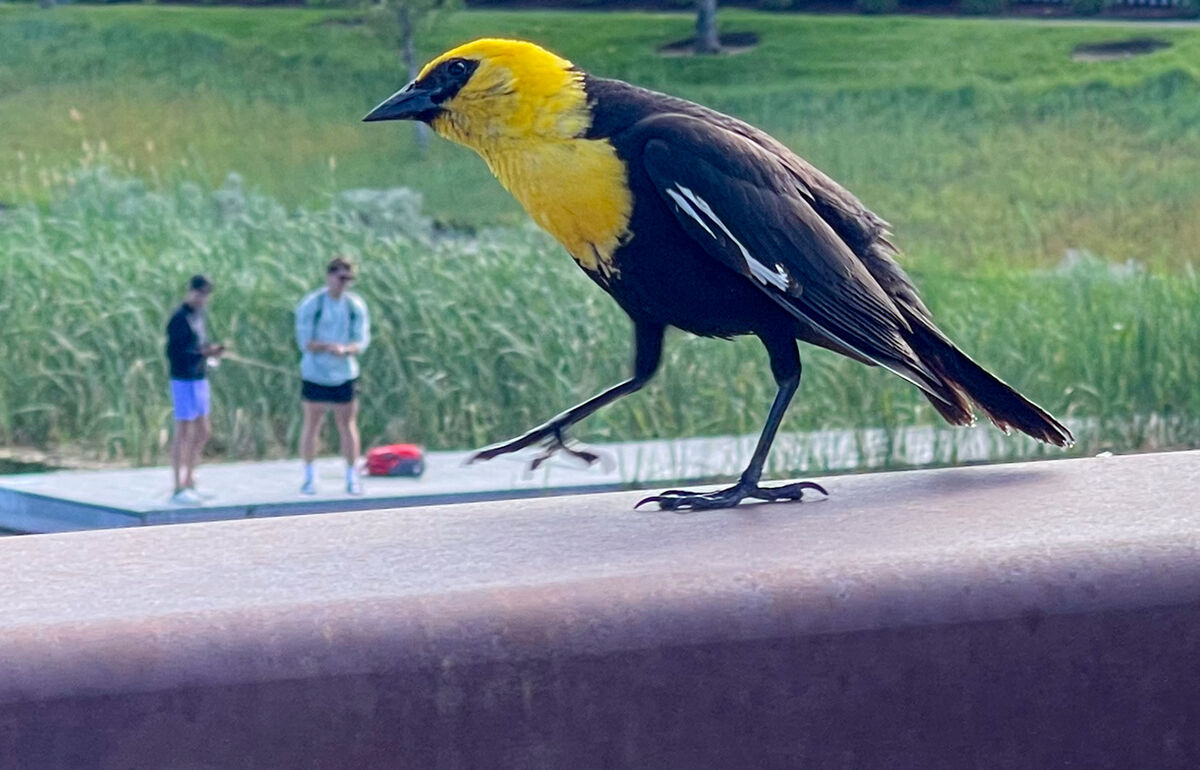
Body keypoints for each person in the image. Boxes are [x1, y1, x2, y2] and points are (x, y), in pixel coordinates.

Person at [295, 256, 371, 495]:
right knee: (312, 423)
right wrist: (328, 347)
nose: (343, 283)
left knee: (347, 424)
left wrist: (346, 350)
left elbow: (361, 341)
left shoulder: (354, 306)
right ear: (329, 276)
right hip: (315, 373)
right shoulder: (313, 304)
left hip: (344, 374)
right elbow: (305, 341)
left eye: (348, 279)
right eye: (340, 277)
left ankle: (351, 476)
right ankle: (309, 477)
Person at [165, 274, 225, 505]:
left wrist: (211, 350)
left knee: (202, 430)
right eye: (199, 293)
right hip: (183, 379)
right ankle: (177, 487)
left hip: (200, 377)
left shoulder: (199, 315)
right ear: (190, 291)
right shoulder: (179, 318)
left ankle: (189, 479)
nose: (202, 298)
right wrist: (202, 353)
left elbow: (198, 344)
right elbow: (174, 353)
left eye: (206, 295)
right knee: (183, 431)